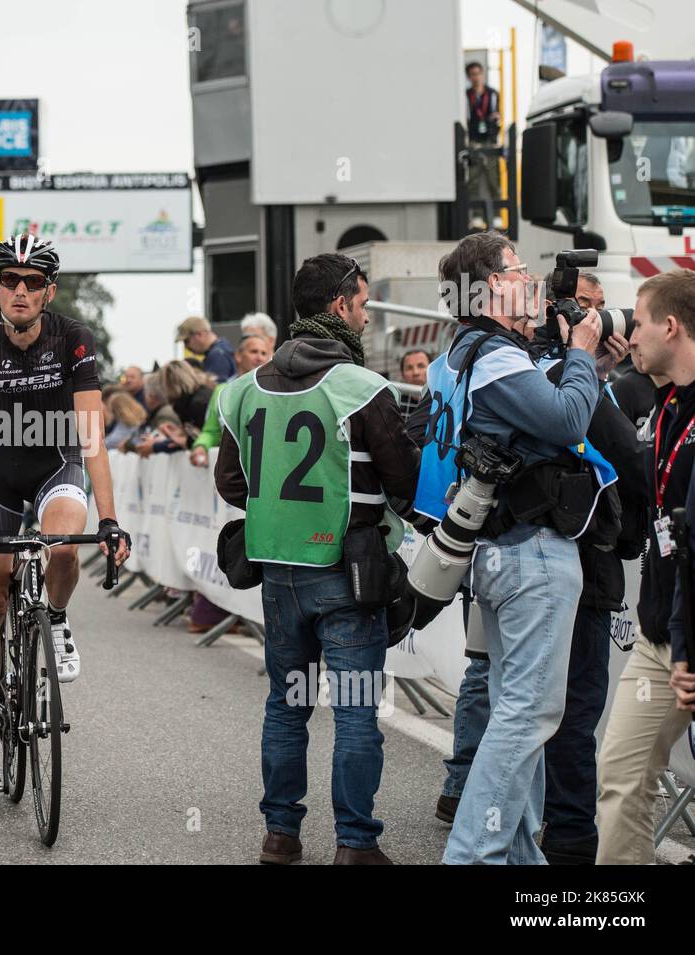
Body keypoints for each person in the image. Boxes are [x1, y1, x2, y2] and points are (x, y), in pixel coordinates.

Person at [215, 252, 419, 864]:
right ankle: (356, 844)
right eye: (360, 303)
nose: (364, 315)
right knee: (355, 710)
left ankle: (281, 836)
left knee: (287, 704)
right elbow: (405, 479)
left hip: (278, 571)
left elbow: (232, 484)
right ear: (339, 306)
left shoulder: (243, 390)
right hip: (348, 572)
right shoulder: (361, 388)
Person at [429, 276, 639, 867]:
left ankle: (519, 854)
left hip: (499, 547)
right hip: (534, 550)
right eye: (519, 270)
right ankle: (474, 856)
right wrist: (578, 355)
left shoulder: (468, 351)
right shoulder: (497, 355)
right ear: (493, 284)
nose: (534, 284)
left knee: (512, 707)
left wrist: (586, 366)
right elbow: (570, 425)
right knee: (528, 716)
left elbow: (545, 418)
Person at [0, 233, 131, 793]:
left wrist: (110, 518)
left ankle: (55, 615)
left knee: (64, 546)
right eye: (9, 280)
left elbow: (92, 438)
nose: (19, 291)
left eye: (31, 282)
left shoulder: (73, 339)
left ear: (48, 291)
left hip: (57, 464)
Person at [597, 267, 695, 862]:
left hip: (686, 639)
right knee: (620, 775)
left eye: (636, 323)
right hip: (660, 641)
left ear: (672, 325)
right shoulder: (664, 403)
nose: (628, 335)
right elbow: (633, 467)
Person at [191, 335, 273, 468]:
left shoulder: (274, 391)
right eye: (254, 351)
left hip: (265, 468)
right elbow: (211, 431)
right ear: (238, 356)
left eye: (264, 353)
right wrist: (201, 446)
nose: (260, 358)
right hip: (233, 470)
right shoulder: (222, 391)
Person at [464, 61, 502, 229]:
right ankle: (478, 217)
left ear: (482, 74)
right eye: (472, 74)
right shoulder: (466, 96)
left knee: (494, 180)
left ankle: (497, 216)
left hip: (489, 141)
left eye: (478, 73)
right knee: (474, 181)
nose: (476, 77)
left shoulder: (492, 94)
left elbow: (497, 115)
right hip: (473, 143)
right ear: (468, 77)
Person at [176, 316, 235, 382]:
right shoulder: (221, 349)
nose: (186, 347)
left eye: (186, 341)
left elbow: (215, 389)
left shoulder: (217, 355)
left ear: (199, 334)